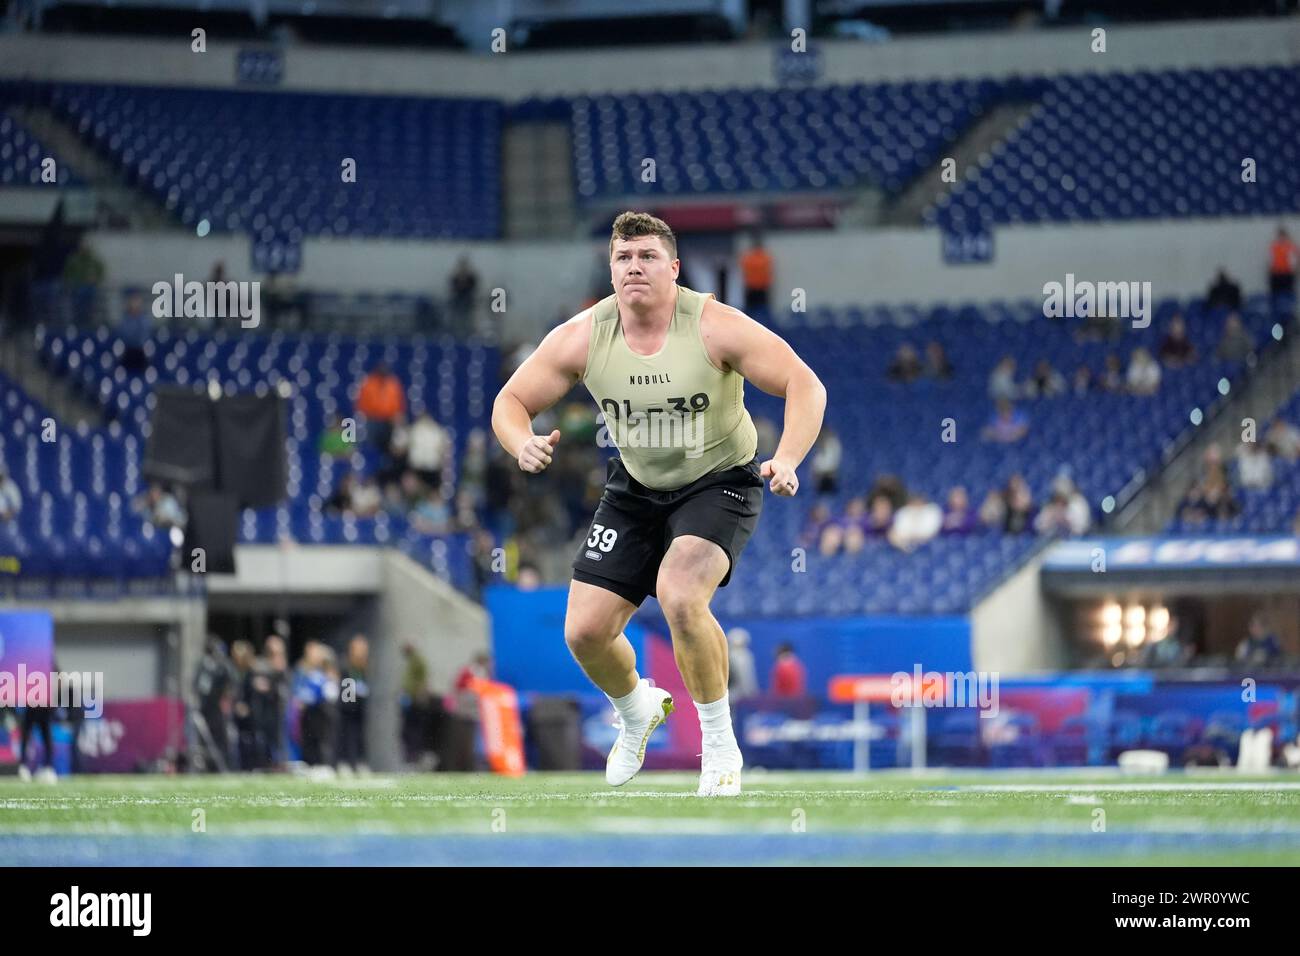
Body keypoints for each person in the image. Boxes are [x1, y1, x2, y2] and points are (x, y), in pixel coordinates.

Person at [491, 211, 826, 797]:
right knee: (585, 633)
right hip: (636, 487)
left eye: (647, 257)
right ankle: (636, 708)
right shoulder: (583, 336)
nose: (634, 268)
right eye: (623, 258)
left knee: (679, 595)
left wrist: (791, 458)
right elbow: (511, 401)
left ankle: (719, 745)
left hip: (719, 480)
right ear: (611, 269)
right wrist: (521, 444)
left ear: (674, 269)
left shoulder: (714, 326)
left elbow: (806, 384)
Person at [355, 363, 406, 452]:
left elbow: (398, 401)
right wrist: (370, 413)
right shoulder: (368, 383)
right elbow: (362, 402)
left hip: (389, 420)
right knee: (373, 443)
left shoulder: (392, 384)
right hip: (373, 419)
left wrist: (397, 414)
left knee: (389, 444)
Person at [338, 635, 370, 773]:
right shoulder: (347, 666)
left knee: (359, 736)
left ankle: (359, 762)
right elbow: (346, 694)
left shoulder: (363, 667)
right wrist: (355, 690)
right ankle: (345, 763)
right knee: (347, 735)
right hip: (348, 709)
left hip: (359, 708)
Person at [738, 234, 773, 317]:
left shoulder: (763, 257)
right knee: (750, 312)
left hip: (761, 288)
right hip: (752, 288)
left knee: (762, 311)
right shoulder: (761, 257)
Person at [726, 628, 759, 702]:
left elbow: (748, 676)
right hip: (733, 694)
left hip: (740, 695)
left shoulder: (746, 656)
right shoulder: (729, 655)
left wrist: (751, 691)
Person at [1268, 226, 1297, 300]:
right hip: (1276, 274)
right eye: (1280, 235)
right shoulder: (1274, 247)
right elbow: (1270, 261)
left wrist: (1292, 272)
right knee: (1275, 295)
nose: (1282, 237)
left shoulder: (1291, 247)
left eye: (1283, 235)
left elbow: (1293, 262)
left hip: (1287, 274)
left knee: (1288, 294)